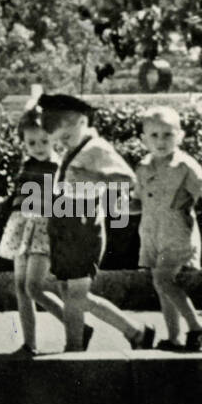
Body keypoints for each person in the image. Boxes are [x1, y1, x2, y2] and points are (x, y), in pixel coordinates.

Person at [38, 92, 155, 353]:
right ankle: (135, 331)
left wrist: (93, 177)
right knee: (70, 293)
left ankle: (74, 348)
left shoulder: (97, 148)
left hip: (84, 225)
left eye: (65, 138)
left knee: (76, 293)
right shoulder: (73, 149)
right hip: (65, 224)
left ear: (81, 121)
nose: (63, 144)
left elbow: (126, 180)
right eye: (59, 142)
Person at [133, 106, 202, 351]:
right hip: (151, 234)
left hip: (177, 233)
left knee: (163, 280)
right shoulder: (143, 167)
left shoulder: (184, 166)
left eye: (168, 135)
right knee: (163, 286)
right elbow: (139, 202)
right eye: (154, 135)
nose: (161, 141)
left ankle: (197, 326)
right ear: (143, 139)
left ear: (180, 136)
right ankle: (174, 336)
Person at [0, 109, 64, 356]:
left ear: (55, 139)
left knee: (34, 286)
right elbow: (15, 199)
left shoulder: (57, 166)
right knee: (20, 286)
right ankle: (30, 343)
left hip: (43, 229)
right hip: (23, 227)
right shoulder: (27, 166)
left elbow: (63, 200)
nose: (38, 147)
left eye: (44, 141)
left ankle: (76, 325)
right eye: (31, 142)